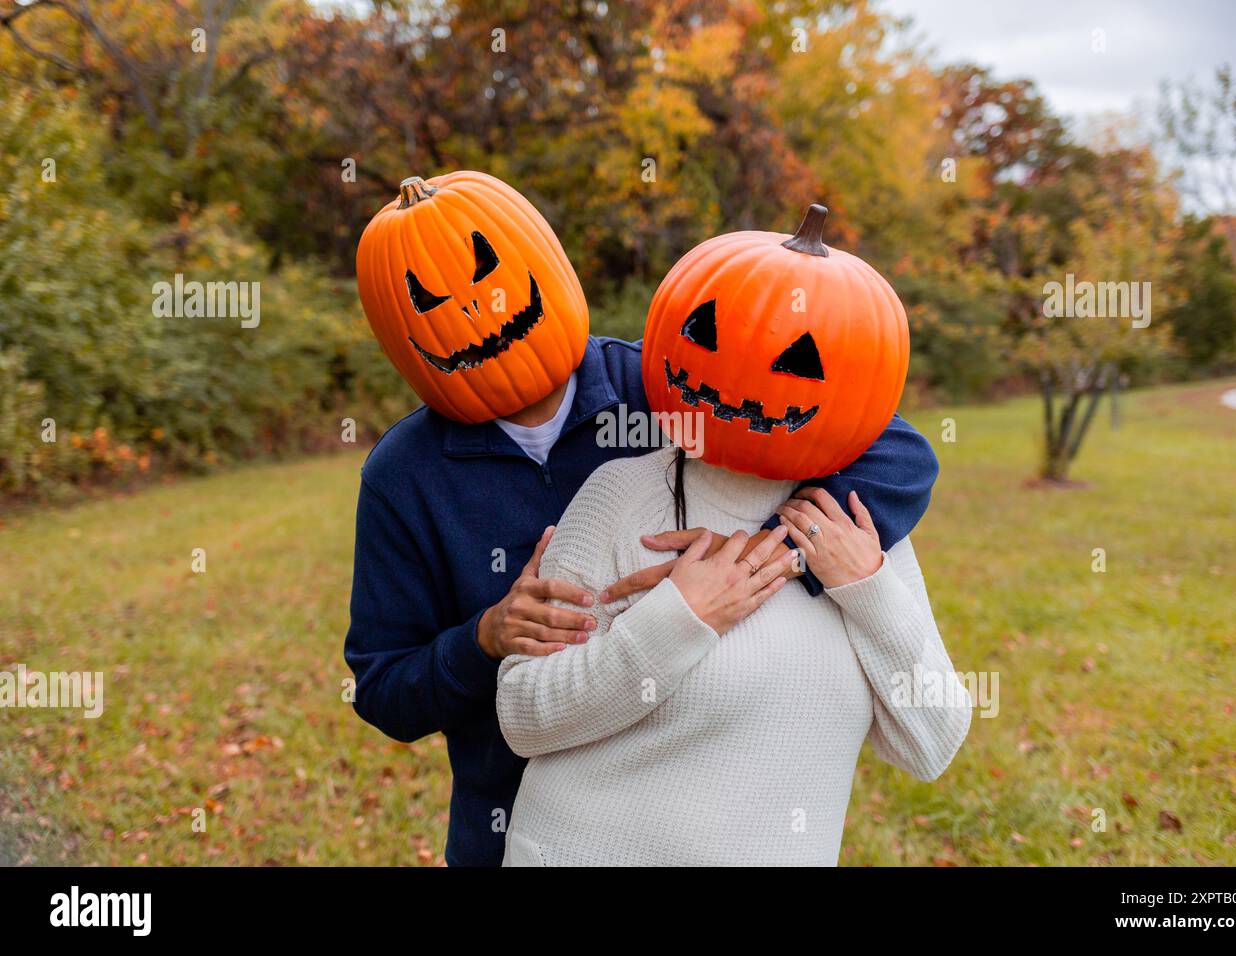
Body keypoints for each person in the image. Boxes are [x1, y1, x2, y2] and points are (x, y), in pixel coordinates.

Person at [344, 172, 940, 866]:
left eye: (489, 273)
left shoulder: (668, 384)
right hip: (509, 824)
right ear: (399, 331)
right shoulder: (404, 476)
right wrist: (485, 636)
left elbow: (895, 449)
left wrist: (763, 549)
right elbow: (382, 687)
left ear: (550, 266)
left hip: (688, 807)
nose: (476, 310)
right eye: (430, 303)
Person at [495, 211, 970, 866]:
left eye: (800, 362)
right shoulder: (621, 495)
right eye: (708, 331)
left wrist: (866, 588)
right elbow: (523, 716)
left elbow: (932, 745)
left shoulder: (853, 528)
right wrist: (681, 617)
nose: (754, 369)